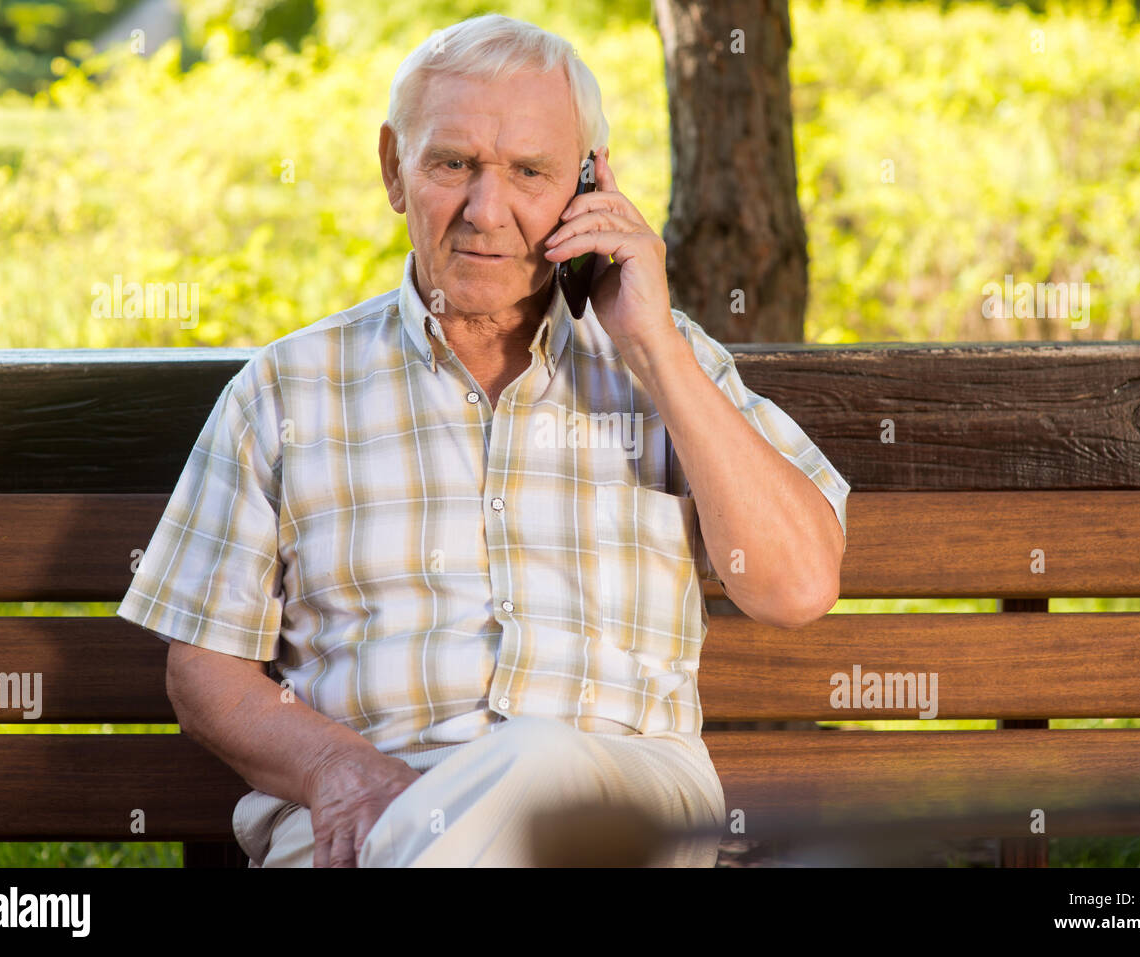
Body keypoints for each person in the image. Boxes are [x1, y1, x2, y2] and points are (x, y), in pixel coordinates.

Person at [117, 13, 850, 868]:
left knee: (538, 762)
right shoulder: (284, 389)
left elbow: (798, 586)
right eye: (452, 164)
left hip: (622, 805)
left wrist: (652, 345)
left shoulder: (673, 364)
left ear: (587, 187)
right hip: (371, 818)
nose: (485, 210)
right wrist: (338, 768)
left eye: (530, 172)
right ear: (395, 168)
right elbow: (205, 672)